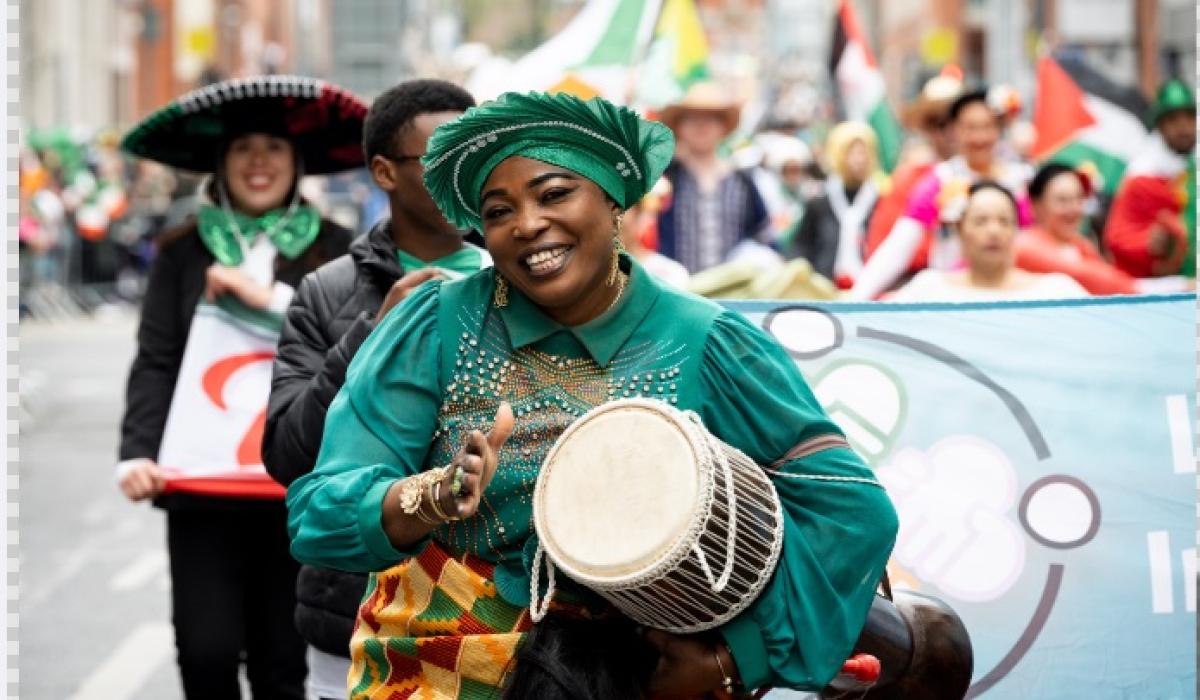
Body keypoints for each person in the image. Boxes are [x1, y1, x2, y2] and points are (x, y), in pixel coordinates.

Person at [285, 91, 898, 698]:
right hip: (435, 671)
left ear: (614, 203)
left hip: (635, 679)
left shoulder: (706, 342)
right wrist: (434, 496)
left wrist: (729, 661)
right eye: (498, 212)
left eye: (553, 195)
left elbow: (848, 510)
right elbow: (320, 511)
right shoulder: (436, 325)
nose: (526, 224)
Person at [116, 76, 364, 699]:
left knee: (284, 663)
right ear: (221, 163)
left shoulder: (341, 254)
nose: (259, 162)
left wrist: (269, 301)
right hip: (202, 489)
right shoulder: (181, 253)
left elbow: (354, 350)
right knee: (204, 654)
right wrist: (138, 452)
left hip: (297, 490)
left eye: (274, 148)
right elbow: (156, 361)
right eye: (243, 148)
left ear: (297, 162)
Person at [261, 79, 486, 700]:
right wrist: (371, 334)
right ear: (384, 171)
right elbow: (287, 457)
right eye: (439, 159)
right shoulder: (329, 293)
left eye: (473, 154)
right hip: (355, 620)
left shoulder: (521, 277)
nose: (460, 176)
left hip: (496, 623)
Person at [851, 87, 1033, 300]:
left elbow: (1030, 241)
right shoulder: (940, 180)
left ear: (999, 129)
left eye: (987, 127)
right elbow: (900, 245)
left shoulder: (1018, 181)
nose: (979, 137)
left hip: (1007, 293)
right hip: (952, 296)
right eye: (970, 127)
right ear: (955, 131)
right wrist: (856, 299)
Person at [891, 180, 1086, 302]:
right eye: (980, 220)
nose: (994, 231)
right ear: (960, 230)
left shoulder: (1055, 292)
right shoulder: (928, 290)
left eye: (1004, 221)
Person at [657, 82, 771, 273]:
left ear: (723, 127)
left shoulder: (742, 180)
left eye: (710, 119)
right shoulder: (663, 178)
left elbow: (764, 235)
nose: (701, 126)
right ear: (680, 127)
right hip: (676, 293)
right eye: (692, 119)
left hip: (733, 295)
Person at [863, 69, 963, 276]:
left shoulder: (997, 174)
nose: (950, 133)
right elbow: (884, 248)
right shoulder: (909, 178)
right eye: (940, 123)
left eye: (959, 122)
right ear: (928, 128)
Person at [1103, 78, 1196, 278]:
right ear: (1161, 126)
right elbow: (1117, 237)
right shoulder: (1141, 178)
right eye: (1174, 120)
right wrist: (1150, 243)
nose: (1184, 127)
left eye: (1190, 117)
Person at [1016, 163, 1137, 295]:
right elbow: (1083, 275)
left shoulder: (1083, 245)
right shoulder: (1024, 245)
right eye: (1063, 200)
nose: (1073, 209)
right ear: (1036, 205)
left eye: (1079, 198)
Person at [788, 121, 883, 287]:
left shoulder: (881, 200)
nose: (859, 160)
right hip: (825, 290)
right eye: (851, 153)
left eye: (864, 153)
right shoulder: (820, 202)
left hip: (871, 288)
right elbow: (801, 248)